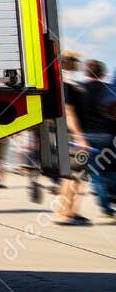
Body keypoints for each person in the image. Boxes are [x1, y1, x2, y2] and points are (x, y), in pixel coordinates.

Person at [54, 53, 92, 225]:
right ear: (65, 62)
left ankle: (69, 212)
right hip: (73, 135)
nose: (78, 63)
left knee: (74, 176)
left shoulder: (67, 83)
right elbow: (69, 113)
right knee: (74, 176)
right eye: (74, 60)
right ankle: (65, 214)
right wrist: (80, 137)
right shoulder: (65, 84)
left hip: (71, 135)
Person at [81, 58, 116, 219]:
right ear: (103, 72)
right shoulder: (109, 89)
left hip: (87, 136)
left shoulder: (79, 89)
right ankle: (111, 196)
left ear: (85, 72)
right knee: (111, 169)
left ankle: (105, 206)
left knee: (96, 172)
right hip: (108, 134)